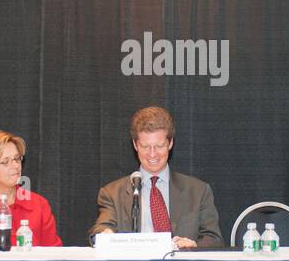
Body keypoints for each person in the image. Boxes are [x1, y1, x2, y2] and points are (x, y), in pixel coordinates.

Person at [88, 106, 222, 249]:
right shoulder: (112, 194)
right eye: (145, 146)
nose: (152, 154)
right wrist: (104, 236)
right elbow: (99, 230)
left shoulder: (198, 191)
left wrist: (194, 245)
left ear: (170, 143)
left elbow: (214, 239)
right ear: (135, 144)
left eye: (159, 146)